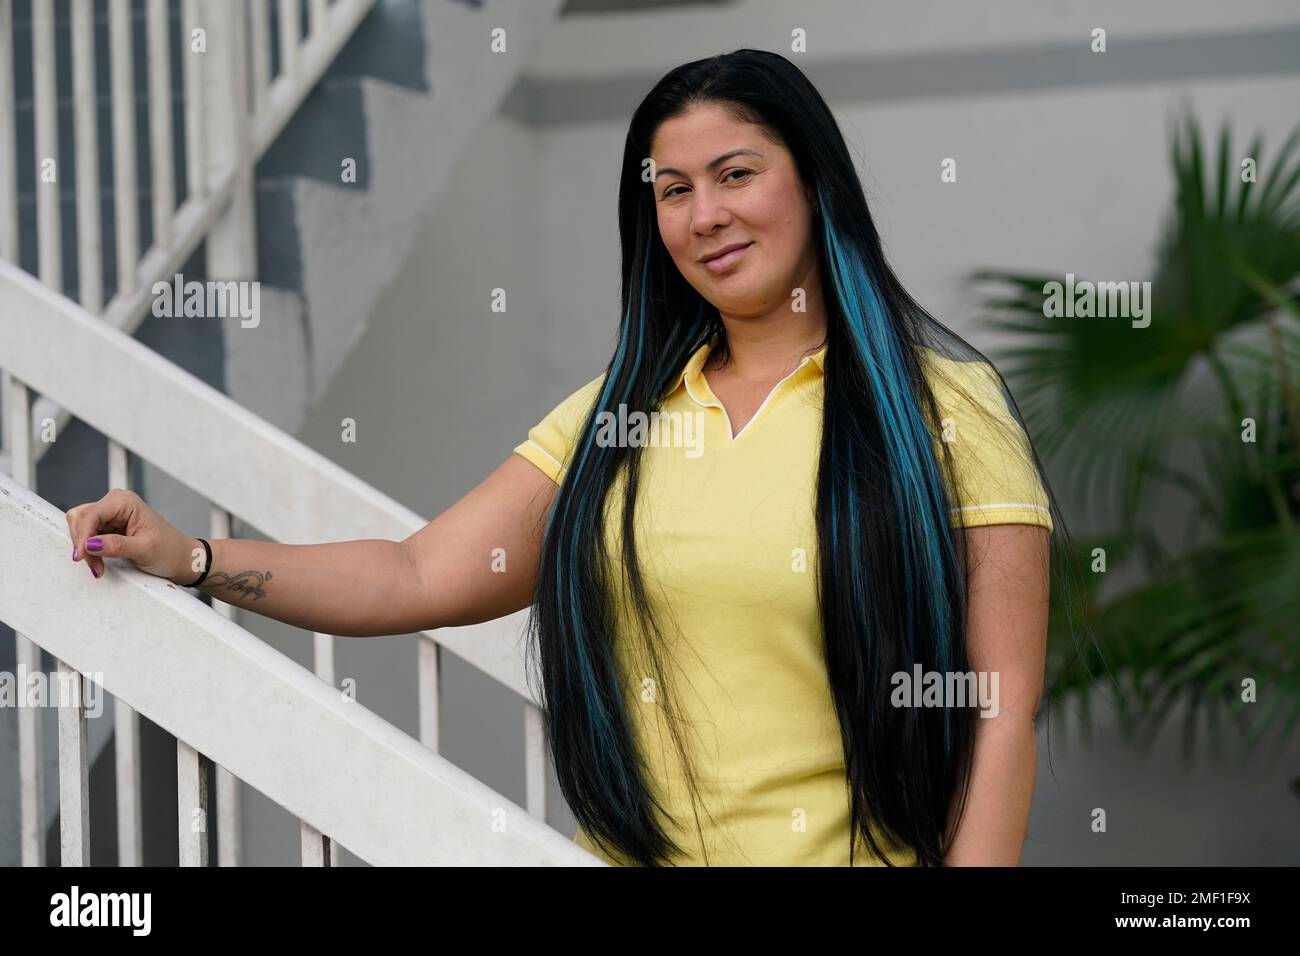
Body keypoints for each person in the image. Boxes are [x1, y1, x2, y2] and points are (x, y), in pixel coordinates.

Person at [66, 49, 1063, 868]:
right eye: (672, 190)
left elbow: (997, 710)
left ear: (812, 180)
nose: (704, 214)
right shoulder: (614, 418)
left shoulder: (941, 408)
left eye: (735, 173)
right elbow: (415, 572)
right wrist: (193, 556)